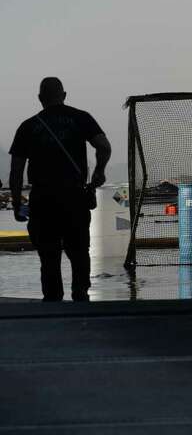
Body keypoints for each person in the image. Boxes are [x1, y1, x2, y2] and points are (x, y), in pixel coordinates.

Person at [8, 78, 111, 302]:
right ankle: (81, 295)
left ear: (40, 99)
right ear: (64, 95)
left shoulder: (28, 126)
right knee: (79, 252)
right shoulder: (81, 118)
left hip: (43, 200)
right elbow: (103, 146)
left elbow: (16, 171)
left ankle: (53, 302)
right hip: (74, 197)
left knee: (49, 257)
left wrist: (18, 204)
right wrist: (98, 173)